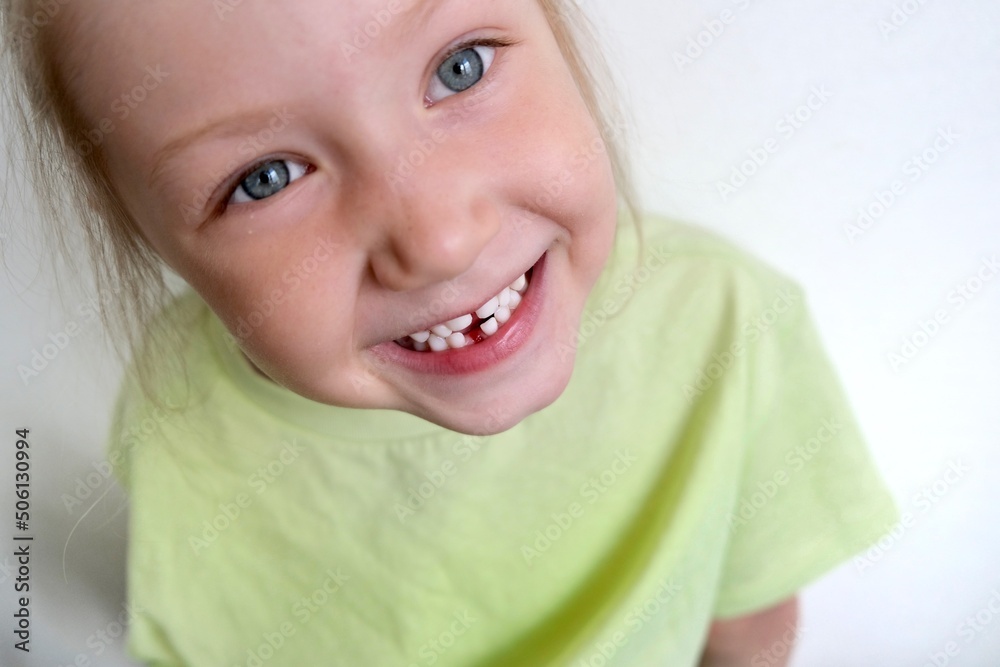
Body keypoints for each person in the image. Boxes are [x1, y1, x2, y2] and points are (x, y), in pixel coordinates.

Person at [0, 0, 898, 664]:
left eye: (460, 67)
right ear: (150, 238)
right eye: (269, 176)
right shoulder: (176, 422)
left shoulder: (725, 325)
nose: (436, 241)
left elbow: (749, 623)